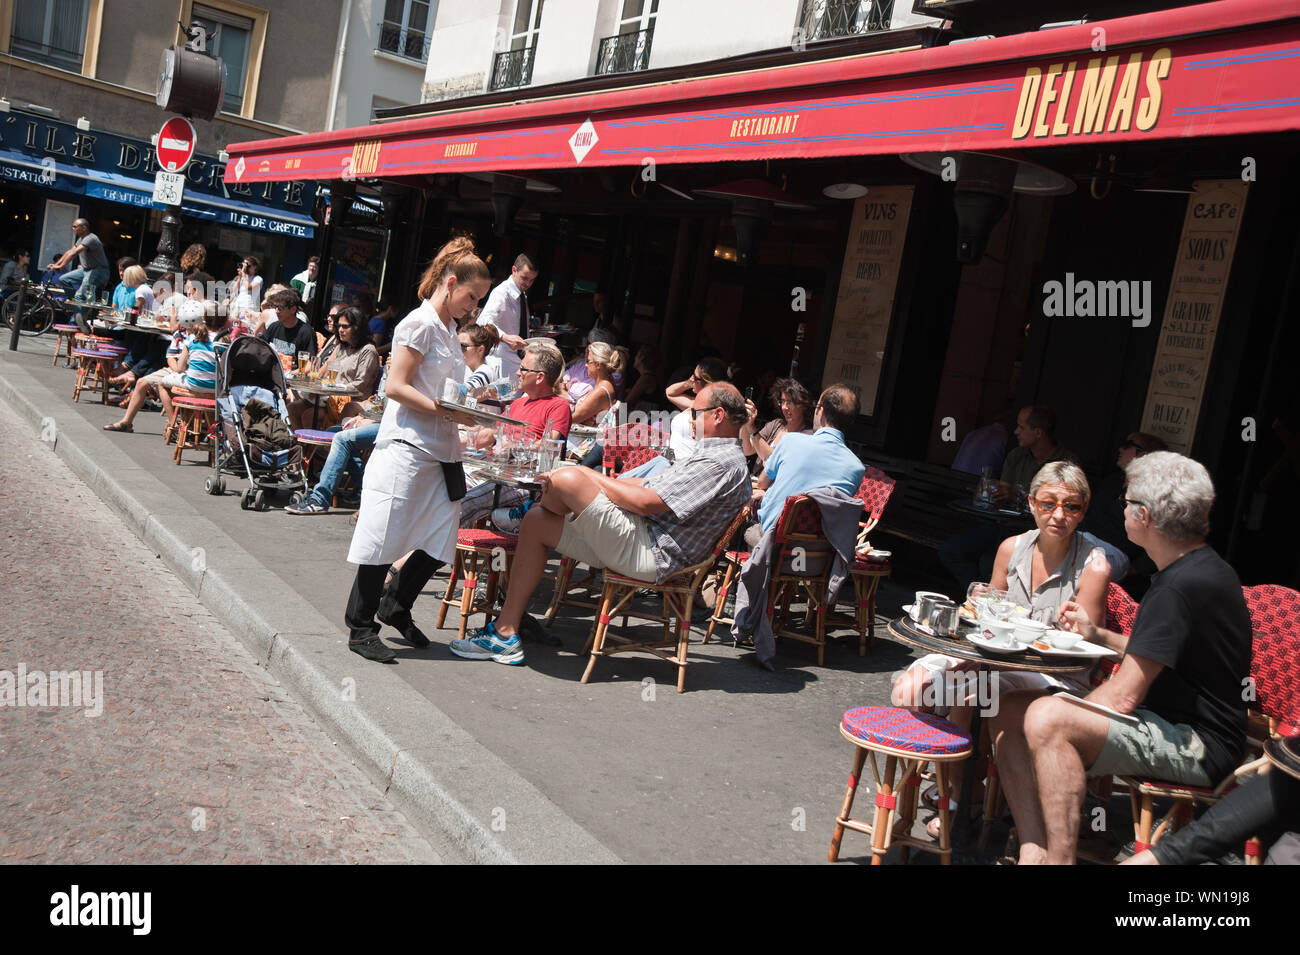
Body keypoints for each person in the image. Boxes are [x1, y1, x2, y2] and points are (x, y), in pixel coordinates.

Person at [991, 451, 1252, 865]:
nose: (1122, 510)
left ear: (1144, 515)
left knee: (1047, 717)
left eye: (1126, 502)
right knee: (1008, 706)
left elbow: (1123, 696)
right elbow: (1163, 651)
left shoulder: (1178, 587)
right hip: (1175, 725)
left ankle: (1059, 860)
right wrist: (1100, 636)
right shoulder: (1198, 570)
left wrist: (1058, 714)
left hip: (1197, 744)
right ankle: (1033, 848)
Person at [448, 382, 752, 666]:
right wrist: (591, 481)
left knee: (567, 479)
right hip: (643, 539)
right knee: (537, 520)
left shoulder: (719, 462)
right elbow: (648, 485)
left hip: (651, 553)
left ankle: (543, 502)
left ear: (717, 415)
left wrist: (587, 477)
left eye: (694, 412)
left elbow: (646, 502)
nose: (689, 419)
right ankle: (506, 631)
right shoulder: (713, 456)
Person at [893, 462, 1111, 833]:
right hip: (996, 660)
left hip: (1054, 675)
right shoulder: (1012, 548)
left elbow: (1083, 646)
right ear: (1031, 503)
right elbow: (987, 613)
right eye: (1048, 503)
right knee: (911, 688)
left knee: (971, 695)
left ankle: (964, 797)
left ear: (1083, 510)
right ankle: (935, 785)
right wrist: (980, 604)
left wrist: (1064, 631)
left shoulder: (1093, 566)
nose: (1059, 515)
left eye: (1071, 506)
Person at [343, 237, 492, 663]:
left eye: (479, 300)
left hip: (442, 450)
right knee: (384, 535)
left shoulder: (447, 329)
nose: (474, 307)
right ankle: (360, 627)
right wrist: (450, 413)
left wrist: (467, 405)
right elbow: (395, 387)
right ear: (451, 283)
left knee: (441, 536)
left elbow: (441, 388)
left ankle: (396, 603)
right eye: (471, 296)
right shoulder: (419, 323)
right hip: (408, 446)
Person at [939, 405, 1076, 591]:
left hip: (1038, 535)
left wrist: (1017, 496)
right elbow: (1003, 492)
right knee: (951, 550)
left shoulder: (1066, 464)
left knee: (988, 562)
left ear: (1038, 433)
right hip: (1003, 526)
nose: (1015, 432)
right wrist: (995, 493)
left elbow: (1065, 506)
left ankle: (989, 597)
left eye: (1021, 427)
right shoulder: (1017, 456)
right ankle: (981, 596)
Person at [463, 341, 572, 531]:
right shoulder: (517, 404)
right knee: (444, 491)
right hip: (496, 472)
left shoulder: (558, 406)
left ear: (539, 377)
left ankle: (429, 548)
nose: (517, 373)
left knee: (464, 505)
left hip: (524, 482)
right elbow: (488, 437)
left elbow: (549, 445)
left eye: (523, 369)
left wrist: (515, 447)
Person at [746, 385, 865, 549]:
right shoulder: (857, 468)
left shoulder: (790, 441)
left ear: (821, 412)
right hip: (819, 555)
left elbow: (762, 483)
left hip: (773, 545)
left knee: (749, 531)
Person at [1080, 431, 1168, 587]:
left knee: (1080, 569)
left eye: (1127, 446)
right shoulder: (1111, 482)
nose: (1120, 449)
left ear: (1143, 455)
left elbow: (1163, 541)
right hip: (1078, 538)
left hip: (1111, 552)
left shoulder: (1153, 496)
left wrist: (1135, 569)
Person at [618, 356, 729, 480]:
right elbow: (670, 392)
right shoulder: (694, 403)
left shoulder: (710, 413)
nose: (691, 378)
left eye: (694, 376)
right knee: (629, 467)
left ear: (704, 382)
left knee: (627, 477)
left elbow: (702, 449)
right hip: (668, 461)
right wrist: (688, 383)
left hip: (680, 468)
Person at [288, 306, 379, 431]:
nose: (340, 330)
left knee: (309, 416)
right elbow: (324, 372)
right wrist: (315, 387)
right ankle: (298, 442)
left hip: (351, 400)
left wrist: (332, 389)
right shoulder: (341, 347)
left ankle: (316, 444)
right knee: (293, 408)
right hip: (329, 398)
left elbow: (360, 385)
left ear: (357, 328)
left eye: (345, 326)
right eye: (339, 326)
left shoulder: (368, 351)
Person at [286, 415, 379, 516]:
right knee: (333, 431)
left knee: (341, 439)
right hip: (379, 420)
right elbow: (378, 406)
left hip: (387, 427)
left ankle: (319, 500)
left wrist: (372, 420)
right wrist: (362, 417)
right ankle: (367, 485)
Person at [476, 254, 536, 379]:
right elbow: (482, 321)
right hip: (501, 363)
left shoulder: (521, 295)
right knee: (500, 392)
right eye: (524, 278)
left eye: (531, 280)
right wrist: (505, 337)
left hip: (516, 363)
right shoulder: (502, 292)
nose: (528, 283)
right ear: (514, 270)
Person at [740, 377, 815, 475]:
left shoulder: (808, 436)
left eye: (790, 402)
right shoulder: (776, 425)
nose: (784, 407)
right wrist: (745, 422)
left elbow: (773, 462)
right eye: (783, 401)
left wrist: (752, 429)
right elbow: (747, 449)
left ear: (804, 404)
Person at [49, 218, 110, 328]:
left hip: (98, 271)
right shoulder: (81, 239)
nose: (73, 229)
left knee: (80, 295)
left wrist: (61, 266)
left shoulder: (91, 238)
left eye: (75, 226)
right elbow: (70, 251)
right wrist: (56, 264)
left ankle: (77, 321)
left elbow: (75, 253)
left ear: (84, 228)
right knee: (63, 279)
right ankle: (79, 307)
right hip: (87, 270)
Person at [259, 286, 317, 362]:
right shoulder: (274, 327)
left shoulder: (306, 332)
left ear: (293, 309)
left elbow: (310, 362)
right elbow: (261, 349)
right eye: (275, 307)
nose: (277, 311)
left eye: (280, 308)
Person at [459, 322, 502, 391]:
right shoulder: (467, 370)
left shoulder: (486, 371)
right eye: (456, 344)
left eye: (463, 346)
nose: (458, 349)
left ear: (480, 350)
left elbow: (466, 391)